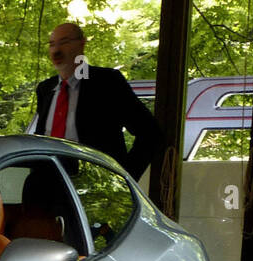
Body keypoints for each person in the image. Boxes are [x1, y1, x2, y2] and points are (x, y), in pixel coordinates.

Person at [29, 22, 163, 179]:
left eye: (64, 42)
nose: (56, 50)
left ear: (82, 44)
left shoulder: (107, 82)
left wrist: (124, 178)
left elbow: (150, 133)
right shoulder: (45, 89)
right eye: (52, 44)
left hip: (94, 188)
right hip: (48, 183)